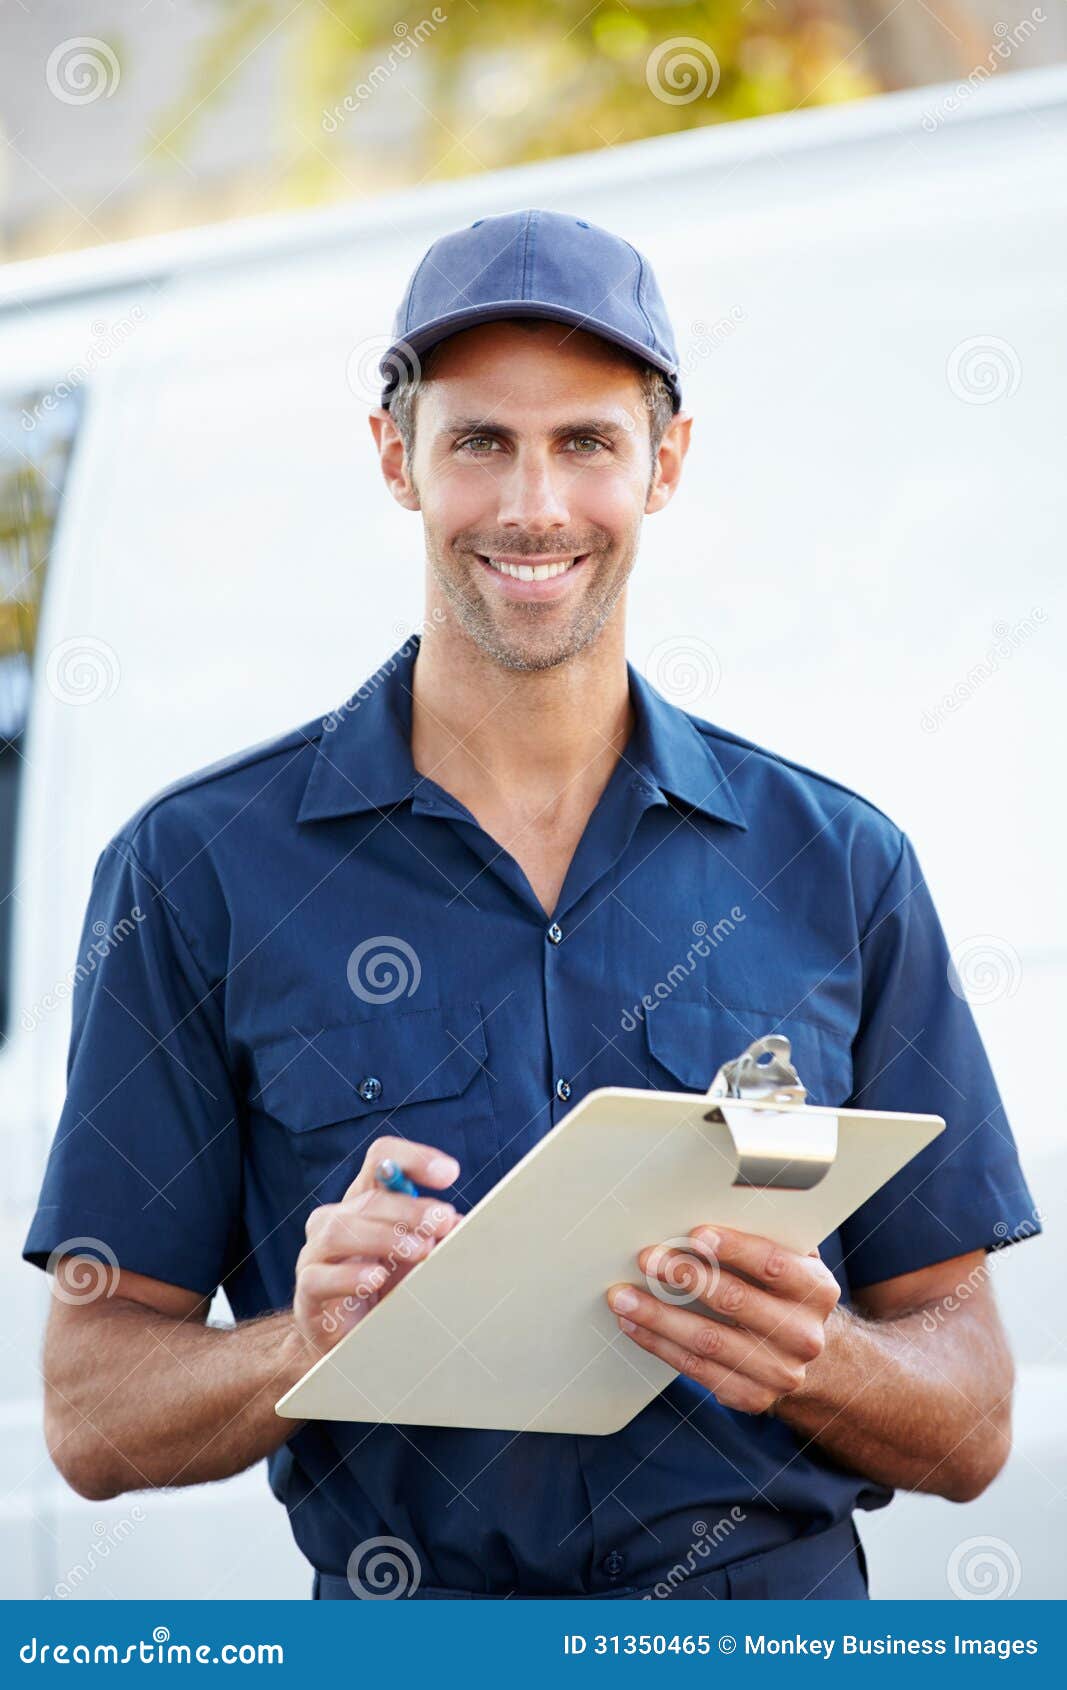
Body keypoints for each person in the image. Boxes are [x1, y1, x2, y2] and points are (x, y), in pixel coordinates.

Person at [24, 209, 1041, 1601]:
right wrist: (306, 1340)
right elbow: (90, 1406)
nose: (533, 507)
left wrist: (822, 1353)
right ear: (398, 456)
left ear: (665, 461)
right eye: (480, 442)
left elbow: (975, 1406)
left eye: (587, 443)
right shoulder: (196, 871)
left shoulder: (837, 863)